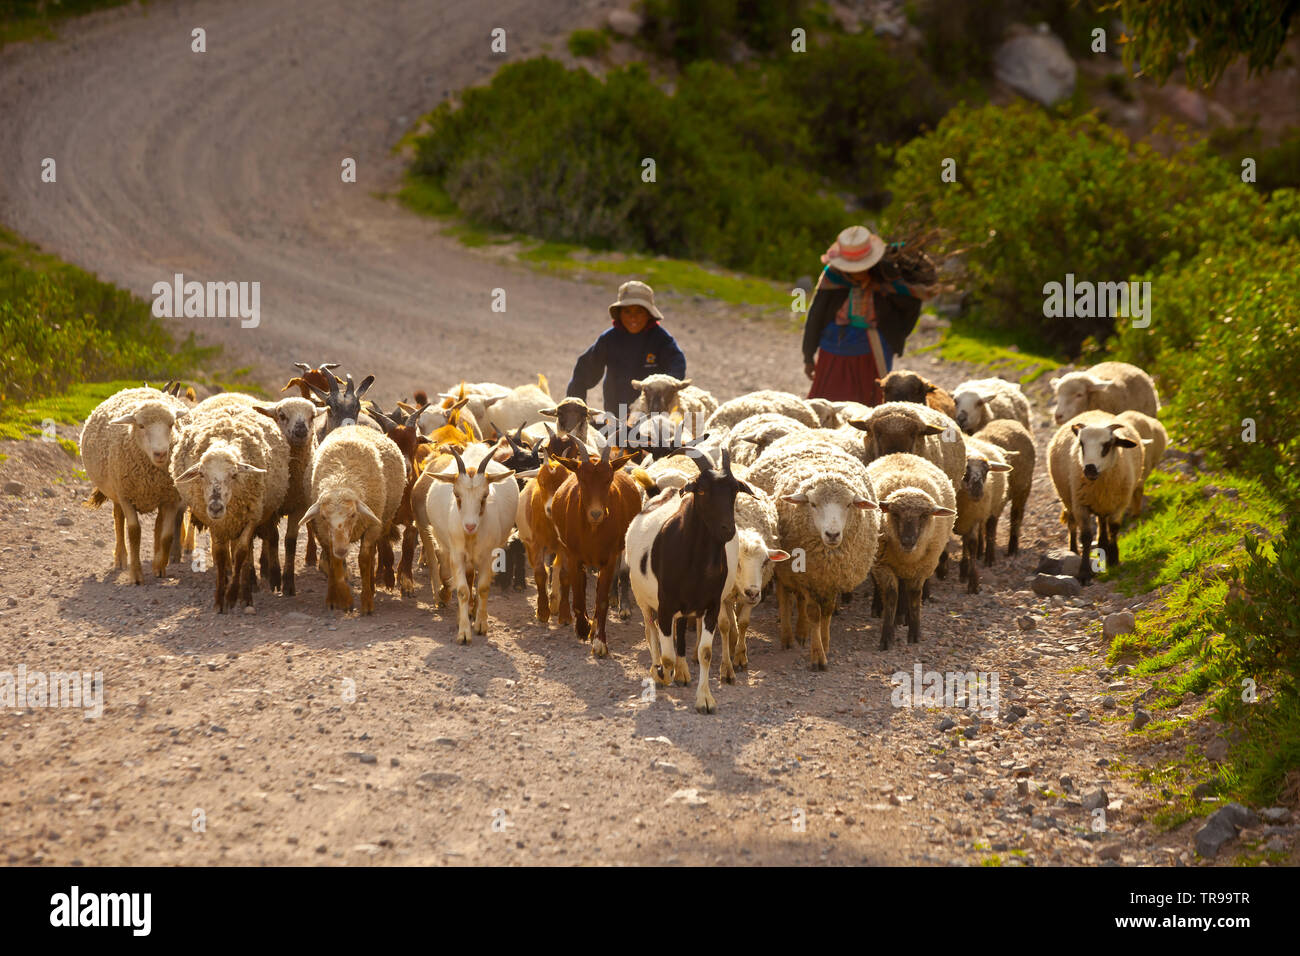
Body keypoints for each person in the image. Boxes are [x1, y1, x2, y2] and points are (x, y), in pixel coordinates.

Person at [801, 225, 935, 406]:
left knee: (869, 402)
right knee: (826, 402)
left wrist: (897, 334)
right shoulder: (832, 276)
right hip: (834, 345)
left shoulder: (885, 273)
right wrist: (808, 356)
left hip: (873, 347)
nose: (856, 272)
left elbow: (910, 303)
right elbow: (816, 314)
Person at [566, 280, 686, 423]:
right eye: (627, 311)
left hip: (653, 416)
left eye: (639, 311)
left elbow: (676, 366)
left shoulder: (661, 340)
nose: (633, 317)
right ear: (619, 314)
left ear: (649, 314)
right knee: (614, 442)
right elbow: (583, 373)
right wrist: (576, 411)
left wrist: (663, 389)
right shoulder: (609, 339)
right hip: (617, 414)